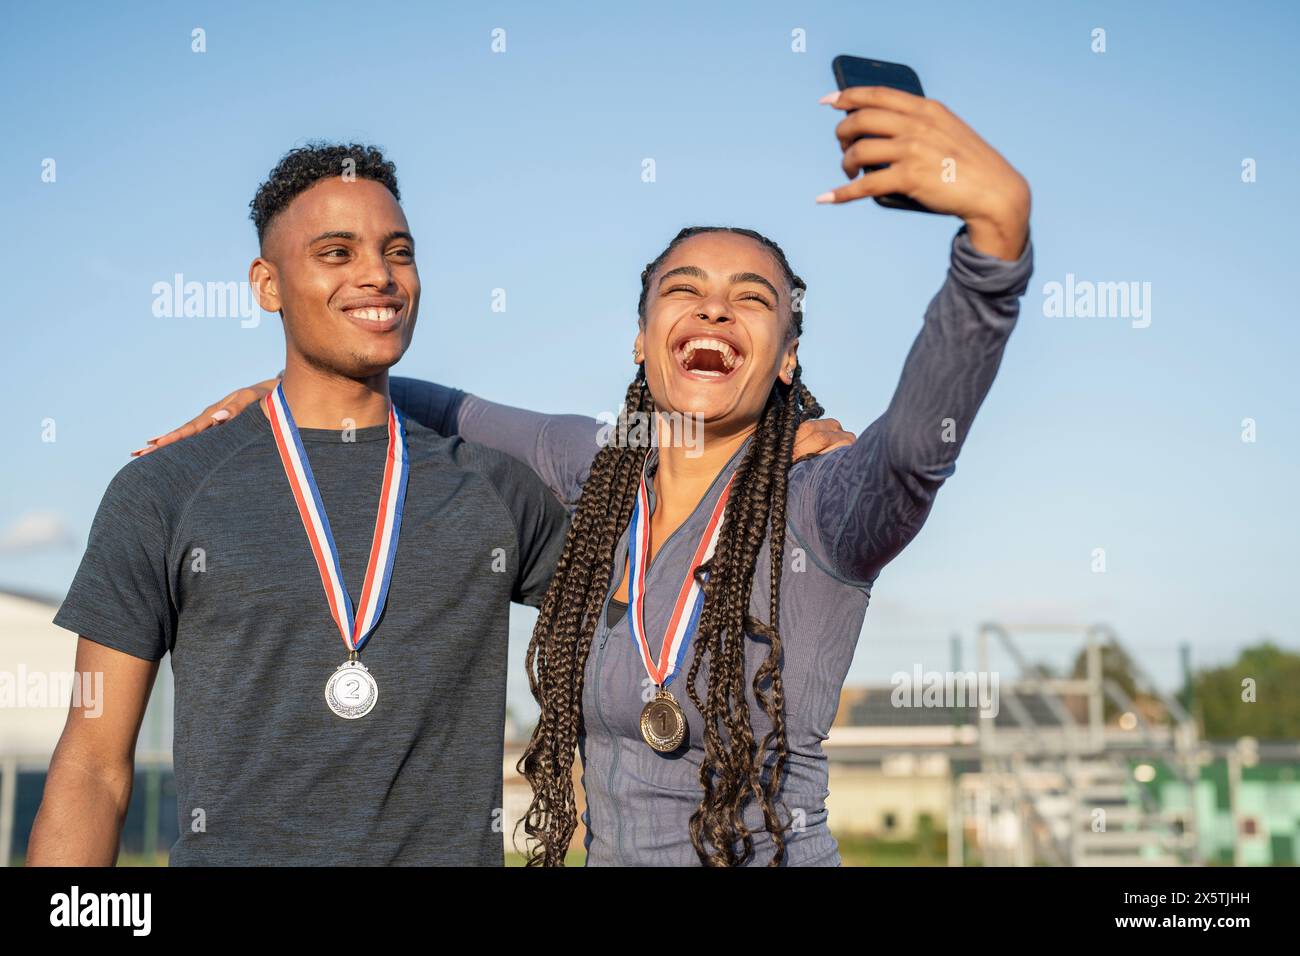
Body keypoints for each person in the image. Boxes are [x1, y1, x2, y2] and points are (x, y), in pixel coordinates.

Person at [149, 86, 1034, 866]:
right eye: (683, 290)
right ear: (640, 340)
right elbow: (440, 403)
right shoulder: (594, 469)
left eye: (753, 298)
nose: (716, 306)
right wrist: (282, 392)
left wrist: (994, 244)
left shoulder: (824, 504)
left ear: (787, 361)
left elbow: (919, 442)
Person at [28, 143, 572, 866]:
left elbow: (664, 564)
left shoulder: (495, 491)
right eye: (336, 252)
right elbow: (93, 767)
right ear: (266, 284)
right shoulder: (164, 490)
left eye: (398, 251)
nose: (377, 274)